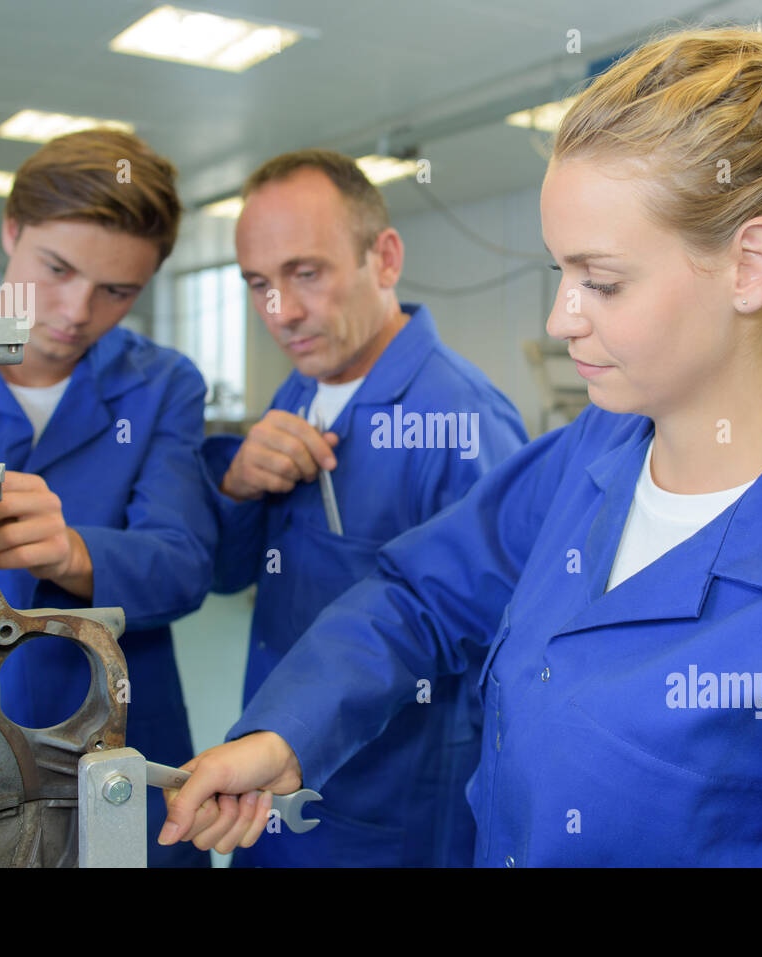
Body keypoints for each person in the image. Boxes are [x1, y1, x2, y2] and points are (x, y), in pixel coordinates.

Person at [161, 26, 762, 866]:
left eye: (601, 281)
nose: (561, 319)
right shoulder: (596, 451)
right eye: (560, 275)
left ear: (749, 265)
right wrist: (288, 731)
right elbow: (418, 594)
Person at [198, 149, 528, 866]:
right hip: (271, 775)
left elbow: (499, 651)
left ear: (384, 258)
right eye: (259, 284)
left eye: (305, 273)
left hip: (387, 811)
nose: (279, 312)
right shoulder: (298, 393)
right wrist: (238, 490)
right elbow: (226, 579)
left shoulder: (462, 424)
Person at [0, 129, 215, 867]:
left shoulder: (164, 383)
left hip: (119, 734)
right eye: (56, 268)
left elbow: (182, 564)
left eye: (117, 291)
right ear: (13, 229)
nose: (76, 311)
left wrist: (76, 552)